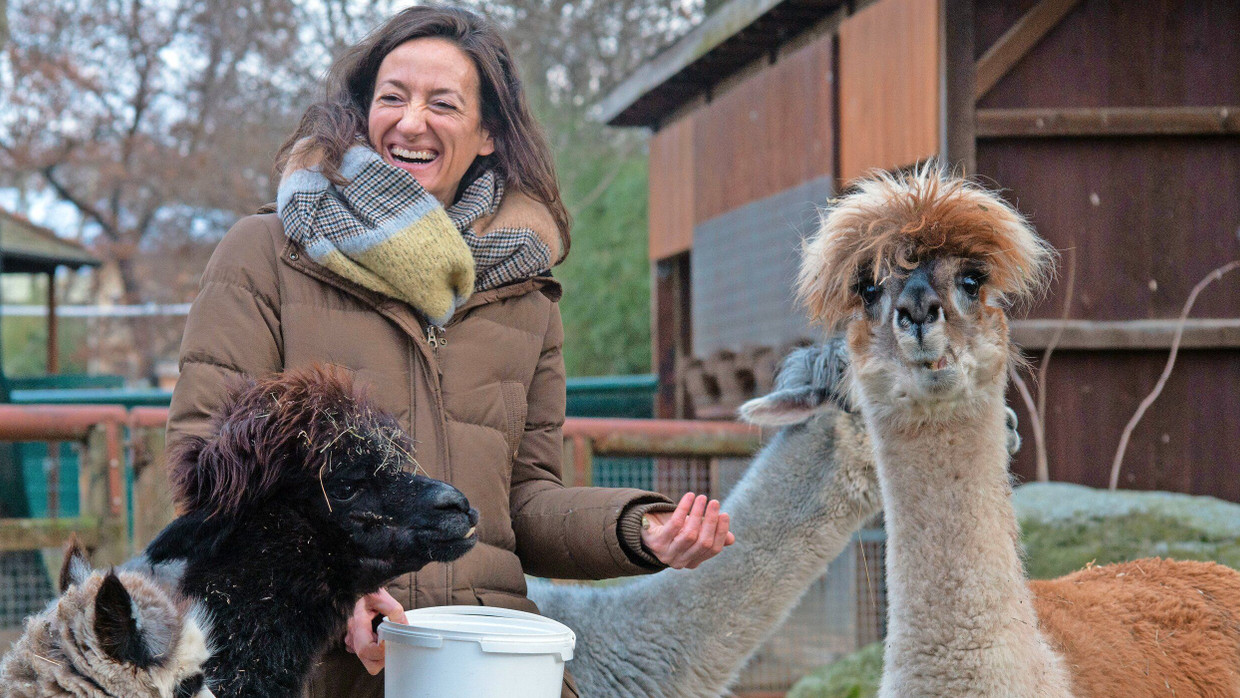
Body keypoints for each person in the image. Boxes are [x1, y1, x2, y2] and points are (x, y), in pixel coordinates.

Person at [166, 6, 734, 697]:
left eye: (443, 104)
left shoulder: (525, 294)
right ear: (361, 113)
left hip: (489, 659)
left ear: (488, 132)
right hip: (327, 667)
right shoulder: (264, 254)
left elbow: (524, 502)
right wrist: (330, 597)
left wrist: (640, 531)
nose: (411, 122)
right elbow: (209, 477)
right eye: (392, 98)